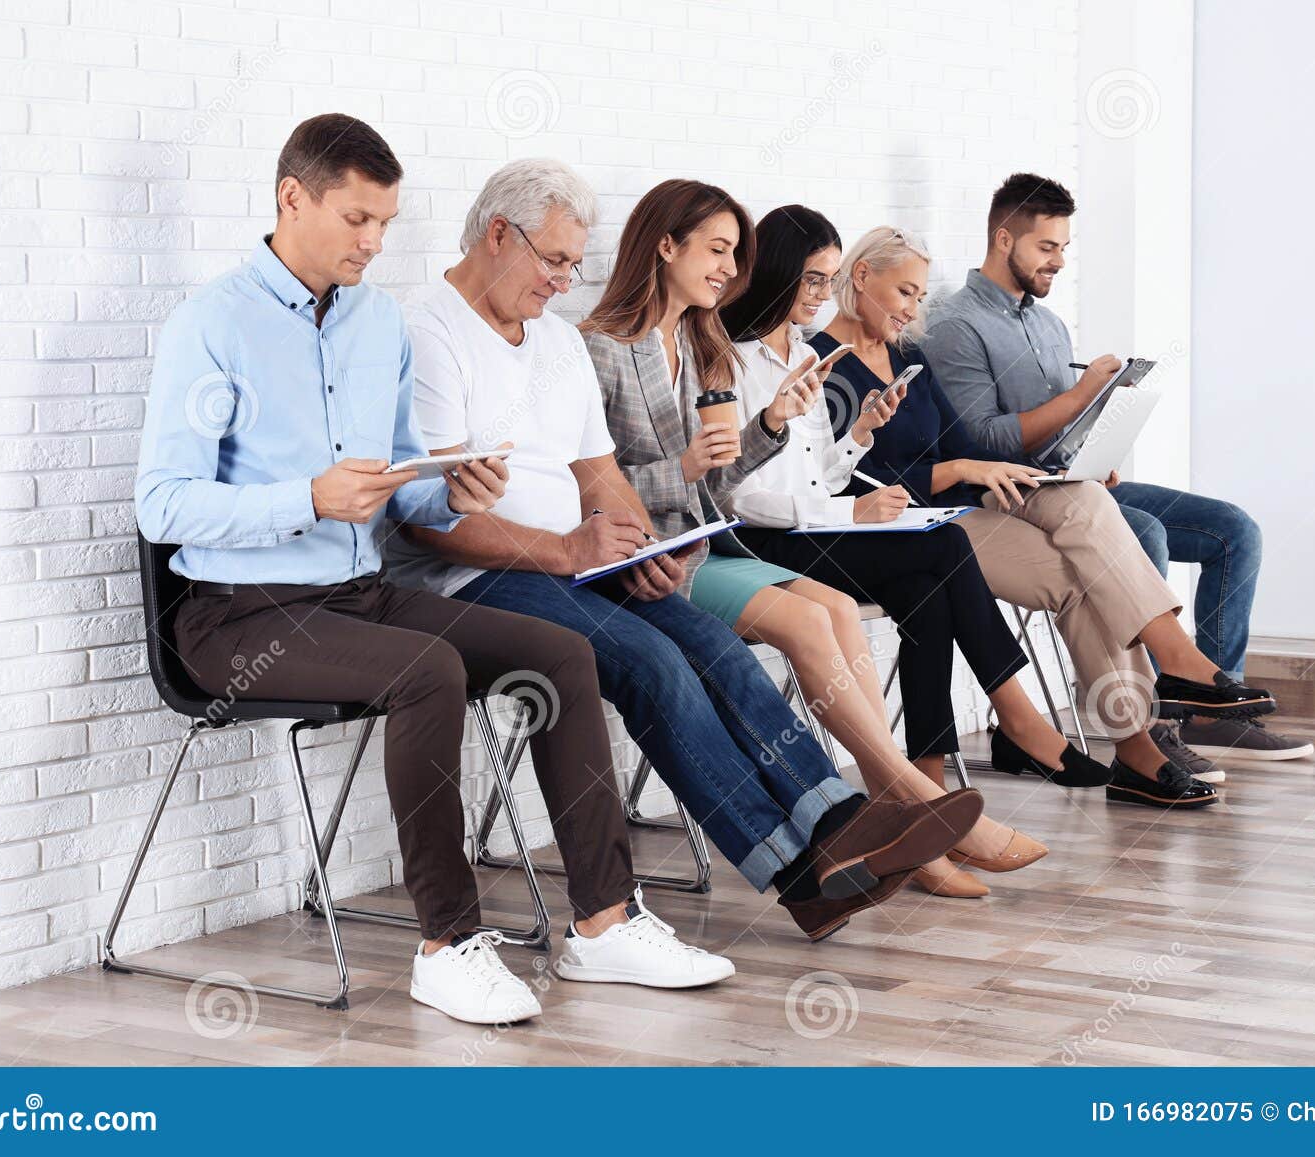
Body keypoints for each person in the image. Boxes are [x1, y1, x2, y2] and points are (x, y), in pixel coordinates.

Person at [135, 115, 740, 1029]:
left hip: (358, 595)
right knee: (430, 671)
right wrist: (305, 498)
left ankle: (604, 922)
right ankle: (447, 945)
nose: (375, 243)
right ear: (290, 198)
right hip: (236, 617)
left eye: (385, 221)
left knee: (562, 652)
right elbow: (163, 506)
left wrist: (457, 490)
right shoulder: (210, 323)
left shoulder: (377, 322)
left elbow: (409, 493)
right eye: (357, 219)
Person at [382, 159, 984, 943]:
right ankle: (801, 876)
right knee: (653, 659)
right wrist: (569, 550)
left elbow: (597, 472)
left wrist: (644, 548)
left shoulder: (557, 342)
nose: (567, 280)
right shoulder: (428, 332)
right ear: (498, 235)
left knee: (707, 640)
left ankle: (837, 828)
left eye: (574, 262)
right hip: (472, 577)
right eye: (556, 260)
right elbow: (430, 519)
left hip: (579, 557)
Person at [583, 185, 1048, 898]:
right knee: (822, 609)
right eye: (718, 251)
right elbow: (595, 484)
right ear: (665, 246)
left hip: (709, 541)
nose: (729, 269)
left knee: (834, 605)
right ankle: (914, 807)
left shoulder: (696, 342)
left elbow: (726, 470)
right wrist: (706, 460)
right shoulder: (605, 348)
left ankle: (906, 813)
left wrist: (790, 427)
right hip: (659, 555)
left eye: (736, 255)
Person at [924, 173, 1312, 763]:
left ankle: (1210, 708)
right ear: (1004, 240)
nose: (1058, 262)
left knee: (1235, 530)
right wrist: (1082, 395)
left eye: (1064, 249)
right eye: (1046, 248)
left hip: (1075, 477)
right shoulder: (957, 326)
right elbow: (985, 439)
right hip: (1018, 491)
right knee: (1145, 532)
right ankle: (1156, 726)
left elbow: (1057, 424)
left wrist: (1097, 441)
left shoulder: (1047, 323)